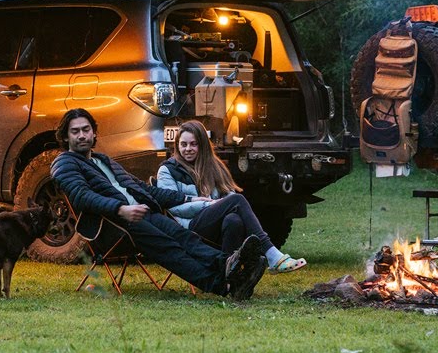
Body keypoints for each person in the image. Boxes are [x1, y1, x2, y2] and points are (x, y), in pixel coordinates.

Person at [50, 108, 266, 300]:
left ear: (94, 132)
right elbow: (82, 196)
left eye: (85, 129)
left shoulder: (104, 161)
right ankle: (224, 283)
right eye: (75, 131)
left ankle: (229, 267)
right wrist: (121, 209)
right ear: (66, 137)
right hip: (112, 224)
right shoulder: (64, 163)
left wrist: (188, 199)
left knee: (184, 236)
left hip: (142, 213)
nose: (81, 135)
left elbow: (144, 189)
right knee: (168, 247)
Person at [156, 121, 307, 273]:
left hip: (212, 223)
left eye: (193, 144)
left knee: (233, 220)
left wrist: (220, 205)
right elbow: (174, 208)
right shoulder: (168, 170)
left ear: (202, 145)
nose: (188, 149)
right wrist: (212, 205)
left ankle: (227, 275)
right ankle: (271, 253)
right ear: (177, 145)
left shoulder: (213, 166)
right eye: (183, 144)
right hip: (187, 227)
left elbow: (228, 193)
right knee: (236, 200)